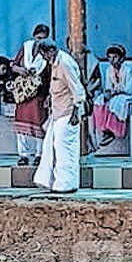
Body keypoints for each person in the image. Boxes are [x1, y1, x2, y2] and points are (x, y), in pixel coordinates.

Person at [33, 40, 86, 193]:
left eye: (44, 54)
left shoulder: (65, 63)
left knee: (65, 150)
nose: (44, 58)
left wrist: (76, 112)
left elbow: (77, 89)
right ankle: (50, 181)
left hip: (68, 113)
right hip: (57, 112)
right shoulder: (55, 62)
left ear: (50, 51)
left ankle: (66, 184)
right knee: (51, 148)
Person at [12, 24, 52, 166]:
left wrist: (49, 95)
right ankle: (23, 154)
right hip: (24, 92)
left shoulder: (48, 52)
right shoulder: (26, 47)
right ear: (34, 36)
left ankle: (39, 154)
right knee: (21, 125)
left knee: (39, 124)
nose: (40, 41)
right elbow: (14, 65)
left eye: (43, 38)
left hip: (39, 92)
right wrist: (22, 70)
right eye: (38, 37)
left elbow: (49, 74)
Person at [91, 44, 132, 147]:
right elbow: (108, 86)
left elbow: (128, 89)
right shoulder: (108, 70)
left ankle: (113, 130)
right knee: (100, 101)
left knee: (116, 103)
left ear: (122, 58)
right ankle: (104, 130)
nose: (112, 60)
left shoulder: (127, 70)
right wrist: (109, 93)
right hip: (114, 94)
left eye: (115, 57)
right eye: (110, 57)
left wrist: (117, 91)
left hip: (125, 95)